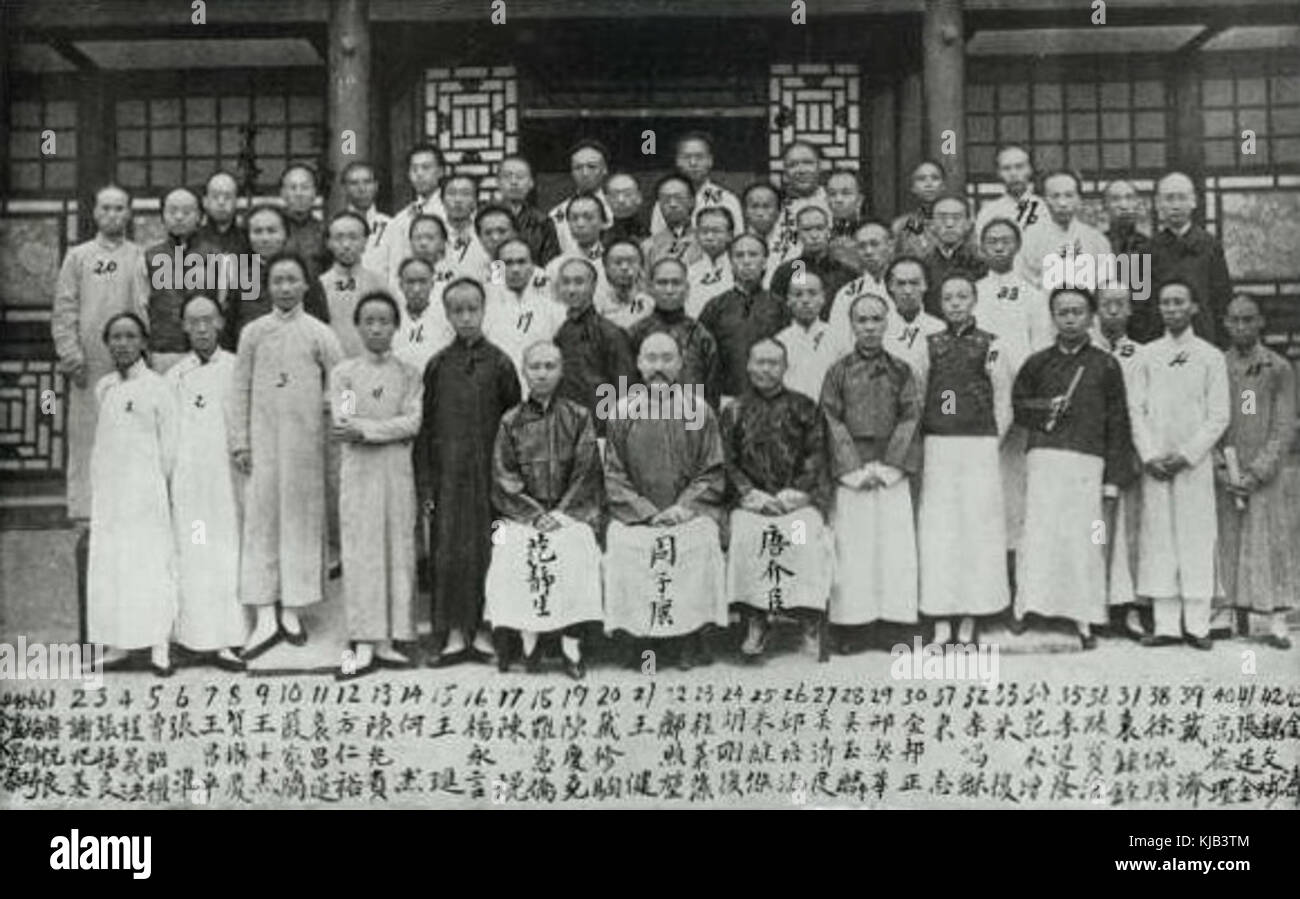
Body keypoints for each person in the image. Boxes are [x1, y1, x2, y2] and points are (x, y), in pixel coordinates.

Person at [231, 252, 344, 659]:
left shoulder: (319, 334)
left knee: (299, 525)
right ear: (268, 286)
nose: (284, 287)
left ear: (304, 286)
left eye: (292, 280)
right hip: (262, 447)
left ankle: (293, 609)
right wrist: (240, 441)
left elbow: (342, 381)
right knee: (261, 525)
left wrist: (334, 416)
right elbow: (239, 388)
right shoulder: (253, 333)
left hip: (305, 449)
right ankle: (264, 613)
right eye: (277, 280)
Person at [1012, 287, 1138, 649]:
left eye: (1078, 311)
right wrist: (1045, 406)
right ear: (1052, 317)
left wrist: (1113, 479)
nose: (1070, 318)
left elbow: (1118, 423)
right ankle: (1028, 606)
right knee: (1038, 534)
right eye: (1063, 312)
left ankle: (1084, 615)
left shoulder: (1106, 364)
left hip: (1087, 462)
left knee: (1084, 539)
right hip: (1045, 459)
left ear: (1091, 316)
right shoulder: (1037, 362)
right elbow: (1019, 406)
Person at [604, 332, 727, 670]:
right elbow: (613, 474)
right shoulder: (621, 410)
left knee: (701, 541)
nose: (659, 367)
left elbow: (712, 471)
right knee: (624, 546)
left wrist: (682, 508)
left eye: (667, 359)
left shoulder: (699, 410)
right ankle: (641, 639)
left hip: (687, 514)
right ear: (639, 364)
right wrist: (644, 512)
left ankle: (689, 635)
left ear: (681, 364)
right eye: (651, 359)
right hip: (637, 517)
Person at [415, 278, 521, 665]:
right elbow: (425, 428)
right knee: (449, 555)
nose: (465, 317)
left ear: (483, 309)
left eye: (472, 308)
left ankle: (485, 632)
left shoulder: (501, 363)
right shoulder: (438, 365)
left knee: (488, 554)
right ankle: (455, 634)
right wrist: (426, 483)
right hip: (448, 479)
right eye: (457, 310)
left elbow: (516, 424)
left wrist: (510, 480)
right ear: (446, 314)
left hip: (490, 479)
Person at [486, 341, 605, 679]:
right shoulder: (510, 421)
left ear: (561, 370)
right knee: (512, 548)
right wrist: (533, 514)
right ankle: (529, 638)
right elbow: (503, 476)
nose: (542, 373)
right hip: (523, 514)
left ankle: (571, 643)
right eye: (535, 366)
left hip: (570, 514)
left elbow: (586, 472)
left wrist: (563, 514)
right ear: (524, 371)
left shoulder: (579, 416)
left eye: (550, 365)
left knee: (577, 545)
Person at [1131, 280, 1230, 649]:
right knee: (1160, 540)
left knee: (1195, 537)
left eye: (1178, 302)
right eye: (1165, 303)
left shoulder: (1210, 356)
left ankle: (1198, 625)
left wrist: (1187, 455)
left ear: (1193, 308)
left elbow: (1219, 415)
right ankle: (1166, 625)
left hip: (1193, 465)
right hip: (1156, 463)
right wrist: (1150, 454)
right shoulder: (1147, 354)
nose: (1171, 309)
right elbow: (1135, 409)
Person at [329, 291, 424, 680]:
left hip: (397, 473)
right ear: (358, 326)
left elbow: (413, 423)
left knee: (397, 550)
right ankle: (364, 643)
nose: (377, 328)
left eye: (384, 320)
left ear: (396, 326)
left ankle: (392, 639)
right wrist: (380, 431)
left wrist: (368, 431)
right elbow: (343, 425)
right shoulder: (345, 373)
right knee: (363, 552)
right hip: (360, 474)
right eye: (369, 321)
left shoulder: (408, 373)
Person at [918, 275, 1014, 645]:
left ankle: (973, 612)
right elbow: (921, 392)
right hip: (940, 446)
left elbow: (1004, 399)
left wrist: (992, 442)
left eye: (963, 296)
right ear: (940, 303)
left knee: (977, 528)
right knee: (940, 529)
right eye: (949, 297)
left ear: (974, 300)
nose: (956, 303)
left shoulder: (991, 345)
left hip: (979, 447)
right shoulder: (930, 345)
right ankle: (941, 613)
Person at [822, 293, 923, 641]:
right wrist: (852, 469)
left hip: (890, 471)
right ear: (851, 325)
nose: (869, 327)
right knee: (854, 548)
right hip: (854, 472)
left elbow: (911, 416)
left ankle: (894, 624)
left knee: (894, 547)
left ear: (886, 323)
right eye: (861, 320)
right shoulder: (838, 372)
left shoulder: (901, 370)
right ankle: (853, 625)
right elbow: (831, 419)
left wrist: (891, 468)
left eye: (876, 320)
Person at [722, 339, 831, 660]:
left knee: (803, 536)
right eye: (759, 362)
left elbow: (816, 454)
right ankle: (756, 620)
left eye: (773, 363)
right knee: (746, 537)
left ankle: (809, 620)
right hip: (752, 505)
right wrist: (748, 494)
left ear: (785, 367)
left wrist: (795, 494)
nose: (765, 369)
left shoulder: (804, 406)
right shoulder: (734, 410)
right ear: (748, 365)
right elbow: (726, 461)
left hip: (794, 504)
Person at [52, 184, 150, 522]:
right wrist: (72, 355)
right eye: (106, 208)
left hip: (128, 360)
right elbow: (64, 311)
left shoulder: (138, 256)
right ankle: (86, 514)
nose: (112, 214)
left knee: (130, 435)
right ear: (94, 213)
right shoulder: (78, 257)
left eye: (119, 208)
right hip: (90, 364)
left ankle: (128, 512)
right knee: (87, 439)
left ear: (129, 213)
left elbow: (143, 307)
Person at [88, 312, 178, 676]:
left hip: (146, 492)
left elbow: (169, 447)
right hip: (111, 493)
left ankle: (159, 645)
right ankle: (117, 643)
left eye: (129, 336)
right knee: (112, 564)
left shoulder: (158, 386)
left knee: (150, 564)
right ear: (107, 343)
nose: (122, 343)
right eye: (115, 337)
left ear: (143, 341)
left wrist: (156, 485)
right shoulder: (104, 387)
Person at [167, 294, 247, 671]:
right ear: (184, 326)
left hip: (227, 486)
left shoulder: (236, 368)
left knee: (227, 554)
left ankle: (228, 639)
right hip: (190, 488)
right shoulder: (174, 376)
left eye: (208, 320)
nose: (201, 328)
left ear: (220, 323)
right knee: (195, 554)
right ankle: (193, 638)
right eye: (193, 321)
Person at [1213, 294, 1297, 649]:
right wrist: (1222, 467)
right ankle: (1236, 611)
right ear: (1226, 324)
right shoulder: (1217, 364)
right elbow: (1212, 419)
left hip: (1266, 471)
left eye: (1249, 319)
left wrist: (1259, 470)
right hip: (1230, 469)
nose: (1242, 326)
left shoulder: (1277, 367)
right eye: (1235, 320)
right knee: (1231, 540)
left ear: (1261, 322)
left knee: (1270, 540)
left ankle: (1277, 617)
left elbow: (1283, 426)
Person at [974, 217, 1053, 569]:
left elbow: (1042, 353)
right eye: (992, 241)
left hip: (1021, 407)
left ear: (1017, 245)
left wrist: (1027, 402)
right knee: (985, 494)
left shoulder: (1034, 296)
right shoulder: (972, 293)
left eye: (1006, 240)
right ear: (982, 247)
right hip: (979, 405)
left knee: (1020, 493)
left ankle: (1019, 576)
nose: (1000, 246)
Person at [1091, 287, 1148, 638]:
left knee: (1127, 532)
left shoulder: (1141, 355)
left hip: (1126, 455)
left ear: (1129, 311)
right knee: (1095, 531)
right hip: (1092, 454)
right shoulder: (1087, 351)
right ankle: (1094, 606)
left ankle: (1128, 608)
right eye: (1106, 305)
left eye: (1120, 305)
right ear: (1096, 310)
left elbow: (1144, 410)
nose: (1112, 311)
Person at [222, 204, 330, 349]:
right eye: (257, 232)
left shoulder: (305, 273)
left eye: (272, 231)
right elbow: (230, 328)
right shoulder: (240, 274)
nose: (265, 238)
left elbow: (320, 323)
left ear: (286, 233)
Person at [699, 233, 790, 404]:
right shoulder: (715, 307)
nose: (746, 261)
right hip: (727, 399)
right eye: (739, 255)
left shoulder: (780, 307)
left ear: (764, 262)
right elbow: (702, 359)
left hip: (772, 399)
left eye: (753, 255)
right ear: (731, 263)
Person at [552, 258, 636, 433]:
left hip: (601, 429)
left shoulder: (611, 334)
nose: (572, 290)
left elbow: (626, 390)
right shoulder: (561, 332)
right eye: (566, 282)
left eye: (579, 282)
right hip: (567, 427)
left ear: (593, 285)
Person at [1150, 171, 1233, 347]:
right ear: (1158, 204)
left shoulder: (1211, 246)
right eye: (1169, 198)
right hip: (1158, 339)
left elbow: (1222, 298)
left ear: (1193, 201)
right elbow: (1139, 303)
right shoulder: (1143, 250)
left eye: (1181, 198)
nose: (1175, 205)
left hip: (1203, 336)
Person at [628, 257, 722, 407]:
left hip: (691, 420)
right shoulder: (635, 334)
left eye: (676, 283)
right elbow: (626, 388)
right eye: (662, 283)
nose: (669, 290)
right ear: (650, 288)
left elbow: (711, 393)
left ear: (687, 288)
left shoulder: (701, 336)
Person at [484, 237, 567, 394]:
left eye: (522, 262)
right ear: (497, 268)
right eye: (508, 263)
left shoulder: (555, 311)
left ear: (532, 267)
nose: (515, 269)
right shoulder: (485, 310)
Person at [144, 187, 209, 374]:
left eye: (187, 212)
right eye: (172, 211)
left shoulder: (216, 256)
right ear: (163, 216)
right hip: (163, 351)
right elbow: (141, 305)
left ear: (200, 217)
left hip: (206, 351)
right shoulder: (149, 257)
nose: (179, 217)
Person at [1016, 170, 1109, 290]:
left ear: (1079, 199)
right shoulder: (1029, 240)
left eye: (1069, 195)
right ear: (1044, 200)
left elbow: (1104, 285)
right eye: (1055, 196)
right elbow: (1024, 285)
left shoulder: (1097, 240)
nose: (1062, 203)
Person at [320, 210, 391, 359]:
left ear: (365, 242)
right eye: (339, 238)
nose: (346, 245)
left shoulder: (380, 285)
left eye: (353, 237)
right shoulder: (319, 286)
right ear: (329, 243)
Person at [378, 143, 448, 285]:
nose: (419, 174)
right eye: (414, 169)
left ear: (440, 171)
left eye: (426, 168)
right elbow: (395, 264)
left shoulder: (453, 213)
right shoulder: (401, 219)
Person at [770, 206, 858, 316]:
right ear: (798, 234)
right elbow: (776, 313)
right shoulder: (785, 272)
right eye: (807, 229)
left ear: (829, 231)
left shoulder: (847, 273)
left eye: (819, 228)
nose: (814, 235)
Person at [650, 133, 743, 237]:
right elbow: (656, 240)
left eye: (699, 157)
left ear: (710, 161)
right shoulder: (667, 200)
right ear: (677, 161)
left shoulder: (725, 199)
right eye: (686, 157)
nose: (693, 163)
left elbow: (737, 239)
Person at [775, 270, 842, 402]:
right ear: (788, 300)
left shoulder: (838, 337)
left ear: (823, 298)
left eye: (812, 293)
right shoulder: (780, 341)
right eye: (798, 295)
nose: (805, 300)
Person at [919, 194, 987, 317]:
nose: (949, 224)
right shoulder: (921, 266)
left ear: (969, 223)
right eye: (942, 218)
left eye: (957, 217)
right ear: (931, 225)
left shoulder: (982, 265)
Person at [881, 256, 945, 385]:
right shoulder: (879, 328)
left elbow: (947, 383)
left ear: (925, 285)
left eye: (914, 283)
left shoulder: (939, 329)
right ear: (890, 287)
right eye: (901, 283)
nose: (908, 291)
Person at [549, 140, 615, 255]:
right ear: (571, 172)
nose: (585, 173)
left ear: (605, 169)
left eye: (592, 166)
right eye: (578, 167)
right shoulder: (557, 214)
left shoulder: (616, 208)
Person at [772, 141, 831, 263]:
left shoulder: (833, 202)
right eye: (793, 165)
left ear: (820, 166)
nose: (801, 170)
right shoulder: (775, 205)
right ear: (785, 171)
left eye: (808, 163)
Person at [496, 154, 560, 266]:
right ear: (498, 182)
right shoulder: (486, 219)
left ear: (531, 183)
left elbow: (551, 265)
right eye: (507, 176)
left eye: (520, 177)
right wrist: (498, 282)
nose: (514, 182)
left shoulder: (542, 222)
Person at [392, 257, 454, 373]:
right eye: (410, 282)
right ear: (401, 285)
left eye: (422, 282)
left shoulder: (448, 319)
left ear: (432, 284)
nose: (416, 289)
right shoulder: (389, 319)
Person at [974, 145, 1044, 238]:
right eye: (1006, 168)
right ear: (998, 173)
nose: (1013, 174)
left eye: (1019, 167)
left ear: (1030, 170)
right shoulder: (989, 212)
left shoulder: (1044, 209)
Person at [341, 160, 392, 274]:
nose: (361, 189)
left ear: (376, 186)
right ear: (345, 188)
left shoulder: (391, 225)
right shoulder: (336, 226)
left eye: (367, 182)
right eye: (354, 183)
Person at [685, 207, 736, 318]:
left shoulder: (738, 270)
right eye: (704, 231)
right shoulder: (689, 273)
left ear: (730, 235)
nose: (709, 237)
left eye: (716, 231)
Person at [642, 174, 701, 268]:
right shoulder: (648, 247)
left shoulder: (704, 241)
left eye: (679, 198)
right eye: (665, 199)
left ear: (692, 201)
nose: (672, 204)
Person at [891, 159, 945, 259]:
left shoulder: (954, 222)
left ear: (943, 186)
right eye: (921, 179)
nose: (929, 184)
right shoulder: (901, 225)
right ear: (913, 187)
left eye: (935, 178)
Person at [280, 163, 327, 278]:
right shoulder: (270, 228)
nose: (299, 193)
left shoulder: (325, 231)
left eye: (305, 187)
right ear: (283, 193)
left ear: (314, 193)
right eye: (292, 188)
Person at [595, 239, 654, 330]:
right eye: (618, 262)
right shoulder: (594, 306)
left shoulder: (650, 306)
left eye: (631, 262)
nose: (624, 267)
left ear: (641, 266)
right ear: (605, 267)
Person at [441, 174, 492, 280]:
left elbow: (499, 280)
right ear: (442, 200)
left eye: (465, 194)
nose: (458, 200)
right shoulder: (431, 234)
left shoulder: (490, 236)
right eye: (451, 193)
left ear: (475, 201)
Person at [192, 170, 249, 258]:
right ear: (205, 201)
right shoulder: (192, 239)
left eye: (228, 197)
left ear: (237, 201)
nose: (221, 202)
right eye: (215, 196)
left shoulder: (248, 240)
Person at [741, 181, 788, 283]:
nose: (760, 213)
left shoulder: (793, 247)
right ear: (745, 211)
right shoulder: (735, 246)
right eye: (754, 207)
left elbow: (800, 282)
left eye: (766, 207)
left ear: (779, 210)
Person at [825, 170, 867, 271]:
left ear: (860, 199)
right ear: (826, 199)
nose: (838, 199)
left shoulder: (872, 232)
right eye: (832, 194)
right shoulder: (818, 230)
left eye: (846, 193)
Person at [603, 172, 651, 246]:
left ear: (639, 197)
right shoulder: (599, 235)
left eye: (627, 194)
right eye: (615, 194)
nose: (621, 200)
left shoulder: (652, 230)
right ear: (607, 199)